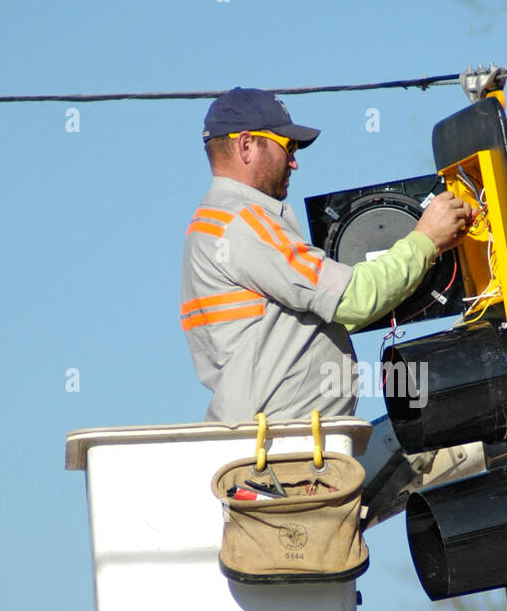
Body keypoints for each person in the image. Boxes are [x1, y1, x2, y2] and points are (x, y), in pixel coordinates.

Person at [181, 88, 473, 424]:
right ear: (246, 144)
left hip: (278, 445)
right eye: (287, 147)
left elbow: (324, 316)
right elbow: (354, 300)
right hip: (286, 451)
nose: (294, 162)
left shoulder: (216, 223)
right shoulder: (244, 223)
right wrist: (427, 240)